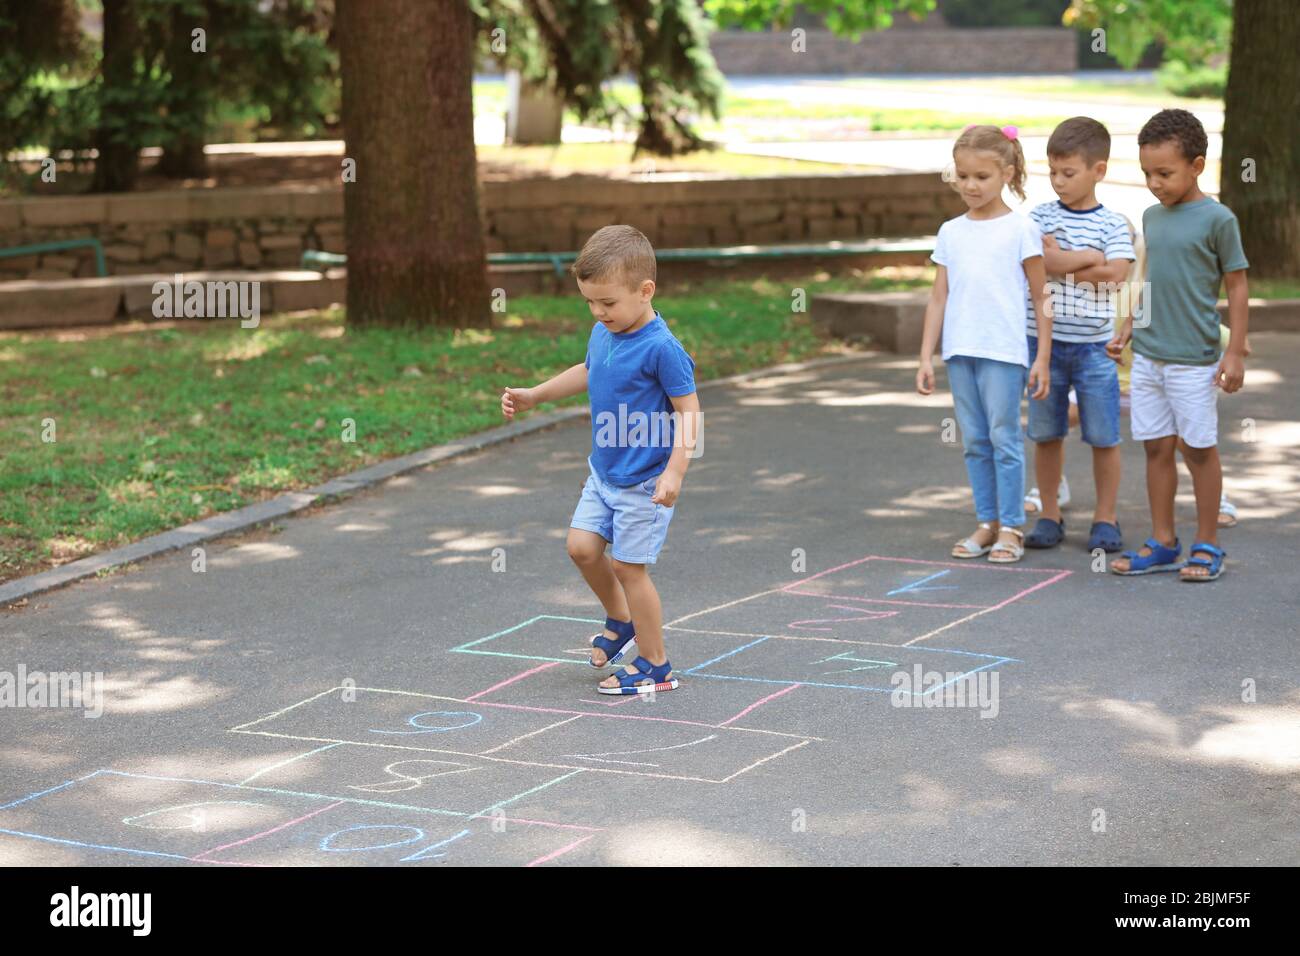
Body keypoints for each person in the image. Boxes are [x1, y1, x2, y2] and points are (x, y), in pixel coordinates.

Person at [500, 225, 701, 692]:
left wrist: (675, 471)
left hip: (643, 483)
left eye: (607, 303)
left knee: (630, 567)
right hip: (605, 474)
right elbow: (588, 371)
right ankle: (621, 619)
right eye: (589, 301)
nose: (598, 311)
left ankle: (656, 665)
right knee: (582, 548)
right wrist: (537, 395)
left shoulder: (662, 349)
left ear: (644, 290)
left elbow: (689, 412)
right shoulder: (603, 332)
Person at [1108, 109, 1249, 582]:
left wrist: (1236, 350)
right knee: (1155, 449)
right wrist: (1129, 324)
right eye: (1147, 173)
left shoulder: (1218, 219)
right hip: (1149, 355)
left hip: (1194, 359)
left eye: (1164, 173)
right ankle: (1164, 541)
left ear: (1197, 165)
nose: (1154, 183)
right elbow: (1149, 278)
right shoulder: (1152, 216)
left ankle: (1207, 543)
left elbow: (1238, 286)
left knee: (1199, 450)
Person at [917, 124, 1052, 564]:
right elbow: (939, 297)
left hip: (1004, 352)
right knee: (975, 440)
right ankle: (986, 522)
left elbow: (1040, 296)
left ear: (1007, 174)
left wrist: (1043, 357)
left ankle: (1012, 527)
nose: (970, 185)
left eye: (981, 177)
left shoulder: (1020, 229)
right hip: (960, 351)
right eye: (963, 175)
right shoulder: (951, 232)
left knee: (1004, 438)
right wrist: (926, 356)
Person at [1021, 117, 1135, 554]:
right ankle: (1050, 514)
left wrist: (1061, 258)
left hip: (1094, 348)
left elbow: (1115, 278)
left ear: (1098, 171)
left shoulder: (1112, 223)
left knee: (1104, 436)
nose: (1058, 182)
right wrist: (1088, 258)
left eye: (1068, 173)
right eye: (1052, 172)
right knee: (1046, 434)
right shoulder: (1040, 216)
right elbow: (1036, 265)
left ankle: (1105, 518)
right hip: (1042, 345)